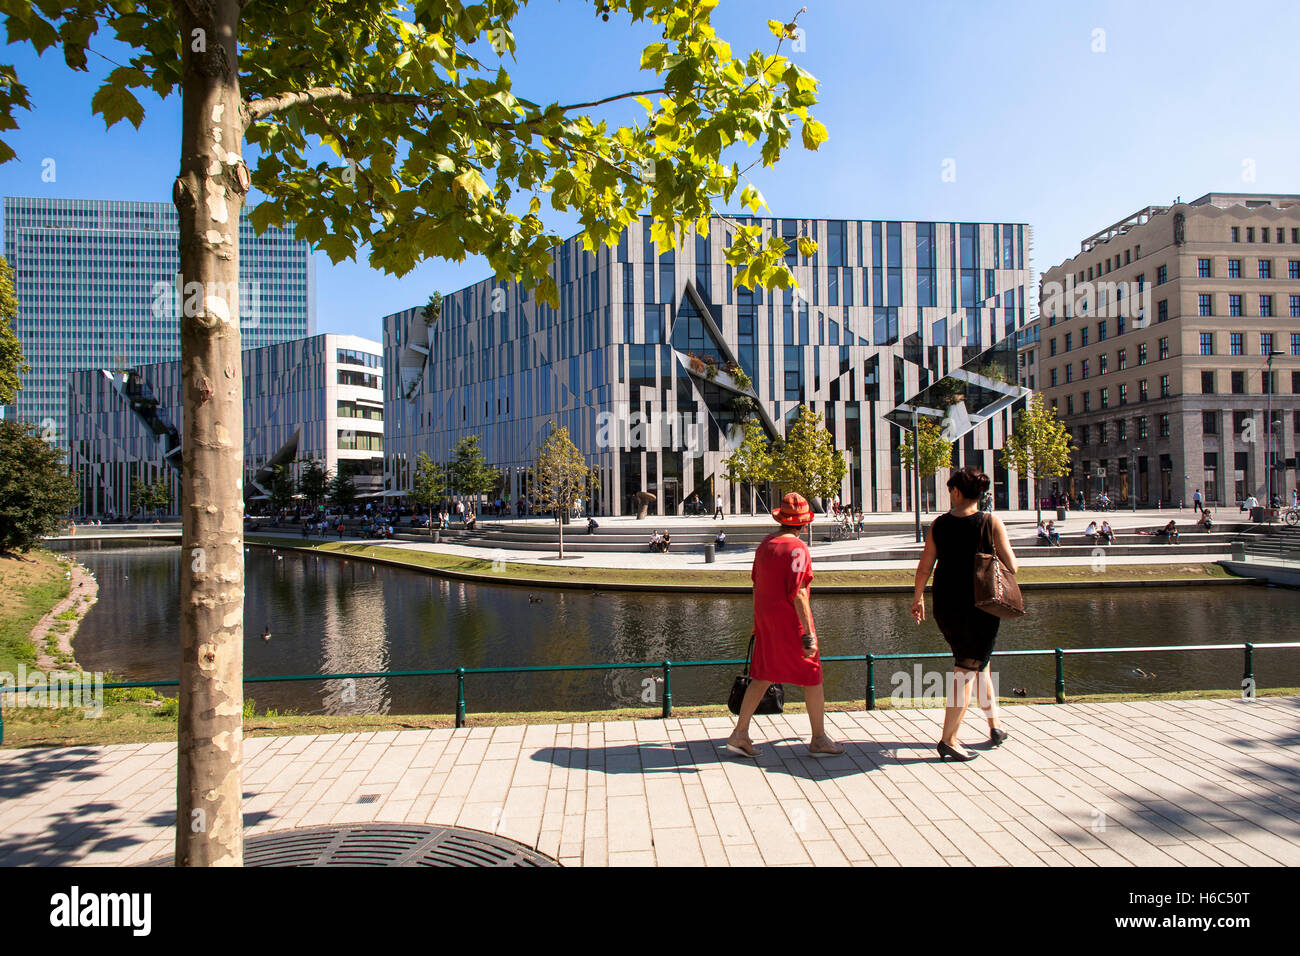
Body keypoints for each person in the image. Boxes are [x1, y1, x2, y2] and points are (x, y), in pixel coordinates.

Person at [910, 466, 1016, 761]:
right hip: (979, 606)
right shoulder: (991, 522)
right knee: (966, 670)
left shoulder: (939, 524)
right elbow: (1013, 566)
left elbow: (924, 568)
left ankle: (995, 726)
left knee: (979, 663)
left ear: (956, 492)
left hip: (945, 606)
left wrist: (917, 599)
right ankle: (949, 740)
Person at [727, 492, 844, 759]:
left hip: (766, 622)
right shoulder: (798, 549)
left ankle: (740, 733)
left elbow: (756, 585)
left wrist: (757, 623)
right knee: (812, 677)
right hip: (791, 624)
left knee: (763, 675)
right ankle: (818, 738)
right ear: (804, 524)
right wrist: (808, 634)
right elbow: (799, 593)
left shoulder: (765, 544)